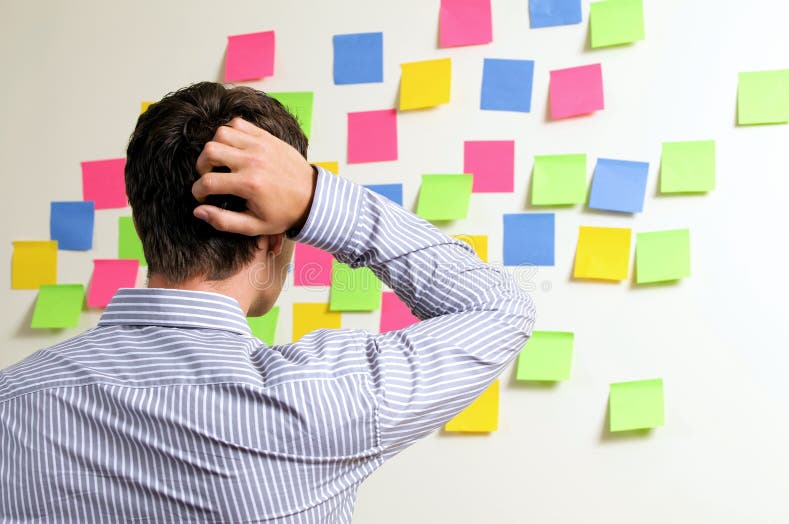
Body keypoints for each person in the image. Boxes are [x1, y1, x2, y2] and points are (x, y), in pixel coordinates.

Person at [0, 82, 536, 522]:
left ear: (143, 222)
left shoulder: (12, 402)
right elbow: (499, 308)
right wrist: (313, 198)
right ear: (274, 236)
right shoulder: (322, 399)